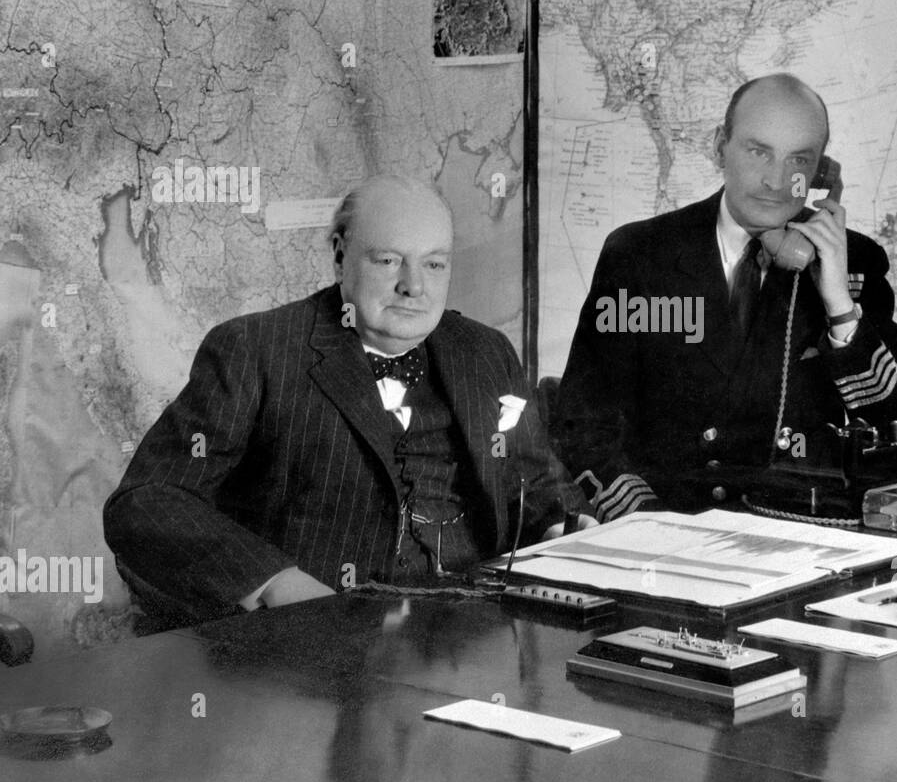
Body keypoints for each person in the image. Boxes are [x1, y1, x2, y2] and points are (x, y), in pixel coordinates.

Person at [104, 175, 591, 628]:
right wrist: (272, 582)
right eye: (388, 261)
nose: (413, 286)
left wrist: (564, 527)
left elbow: (537, 481)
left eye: (434, 264)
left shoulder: (484, 352)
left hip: (474, 635)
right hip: (318, 646)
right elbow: (146, 501)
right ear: (340, 256)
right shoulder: (255, 351)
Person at [554, 73, 897, 520]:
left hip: (800, 535)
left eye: (799, 161)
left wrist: (839, 308)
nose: (775, 180)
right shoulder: (641, 258)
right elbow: (584, 428)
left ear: (819, 174)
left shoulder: (855, 266)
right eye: (758, 151)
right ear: (719, 147)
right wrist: (649, 525)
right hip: (675, 530)